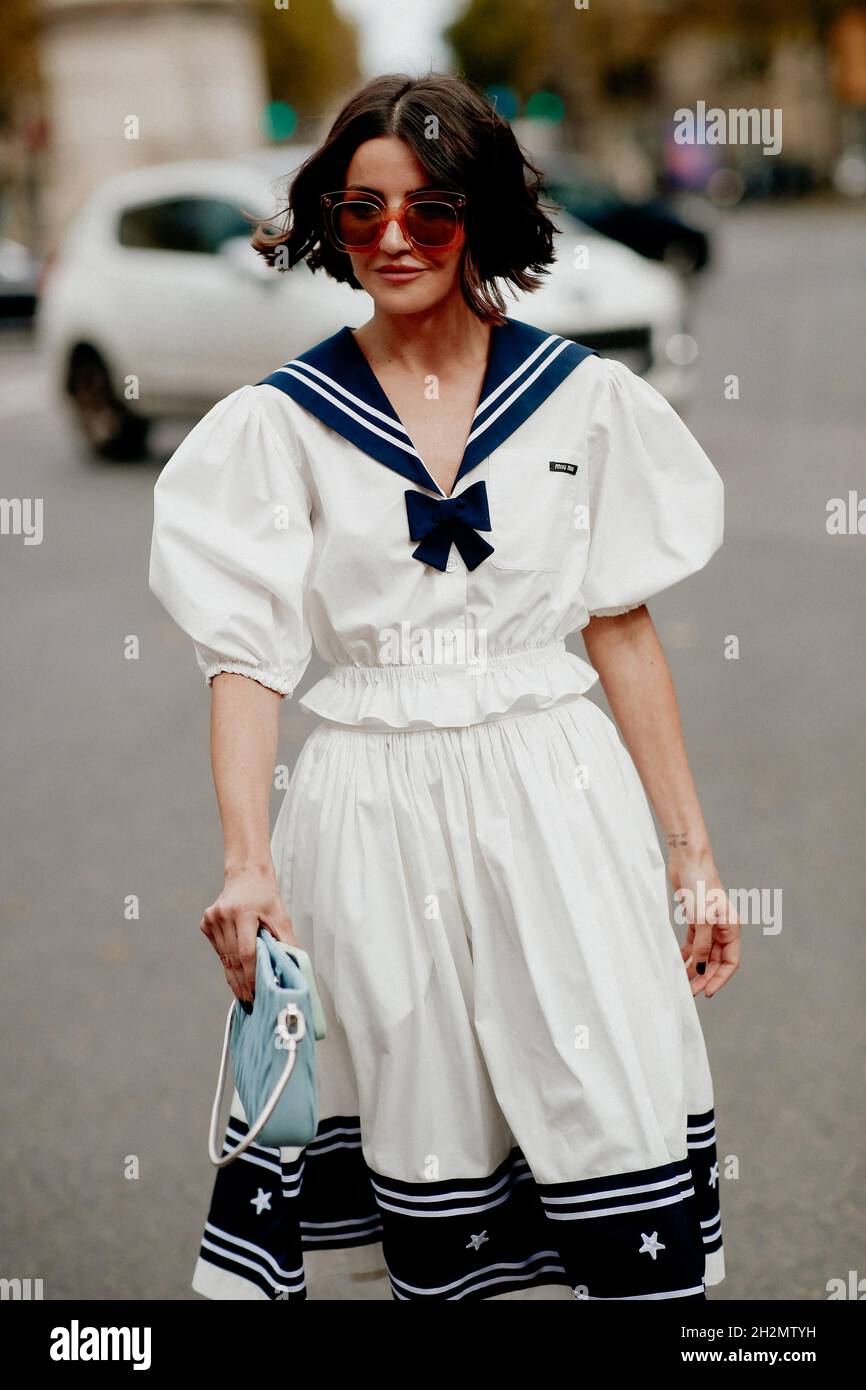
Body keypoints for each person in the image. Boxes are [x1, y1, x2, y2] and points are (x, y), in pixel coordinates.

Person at [148, 72, 739, 1302]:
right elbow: (249, 656)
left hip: (556, 799)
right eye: (360, 212)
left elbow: (618, 628)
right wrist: (248, 860)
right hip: (368, 812)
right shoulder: (279, 424)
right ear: (327, 221)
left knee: (603, 1100)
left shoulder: (582, 399)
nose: (394, 238)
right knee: (424, 1143)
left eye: (429, 207)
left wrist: (690, 852)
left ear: (482, 214)